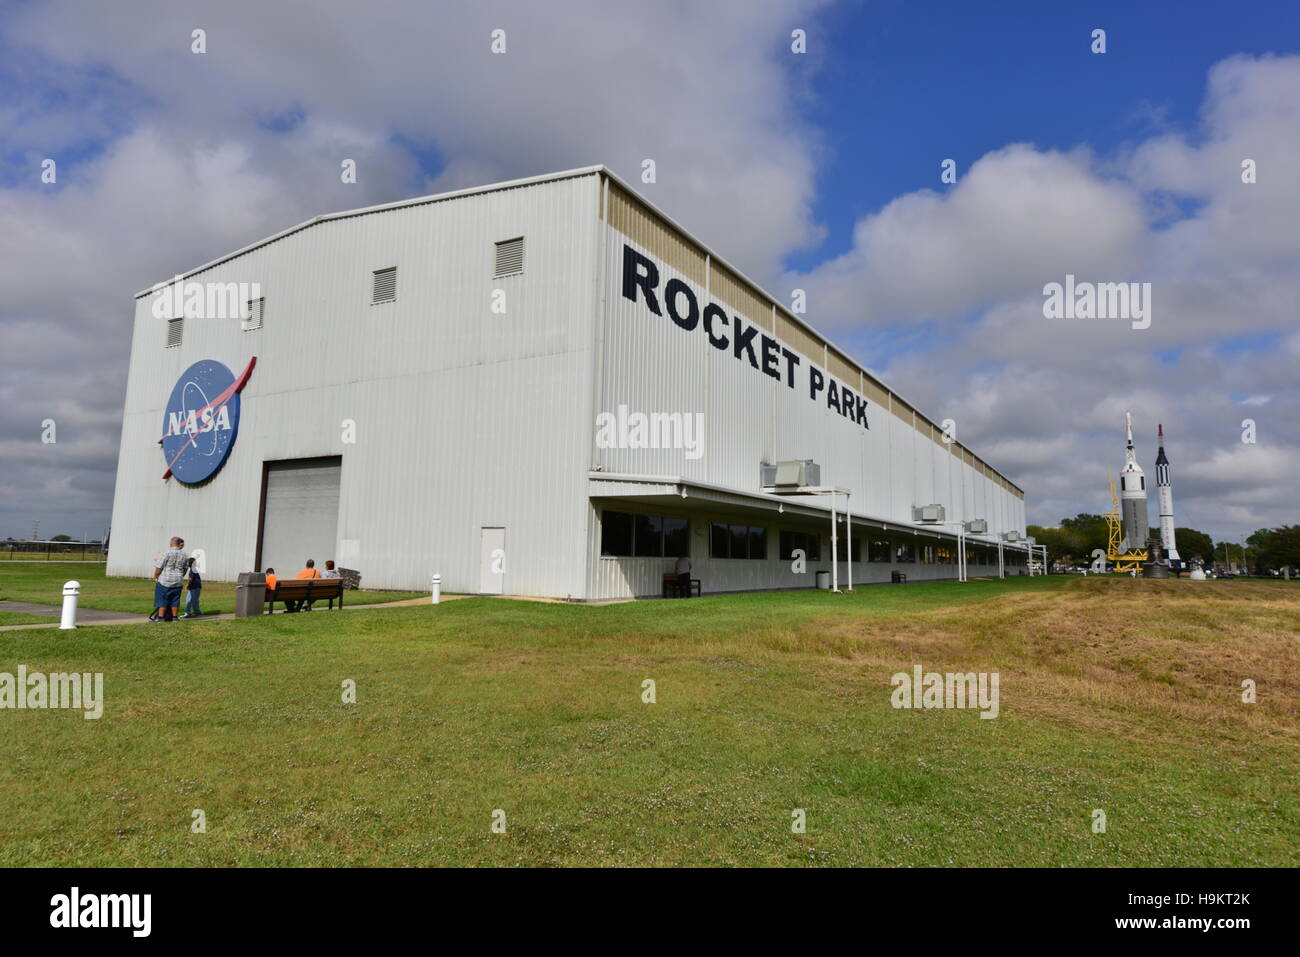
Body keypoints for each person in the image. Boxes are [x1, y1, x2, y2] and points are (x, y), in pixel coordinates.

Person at [151, 536, 188, 622]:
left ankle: (160, 618)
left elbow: (159, 567)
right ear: (179, 544)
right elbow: (186, 568)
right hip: (178, 580)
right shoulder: (185, 554)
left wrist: (156, 576)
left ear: (171, 543)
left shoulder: (166, 553)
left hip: (165, 580)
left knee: (162, 599)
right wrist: (181, 576)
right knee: (175, 600)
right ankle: (174, 617)